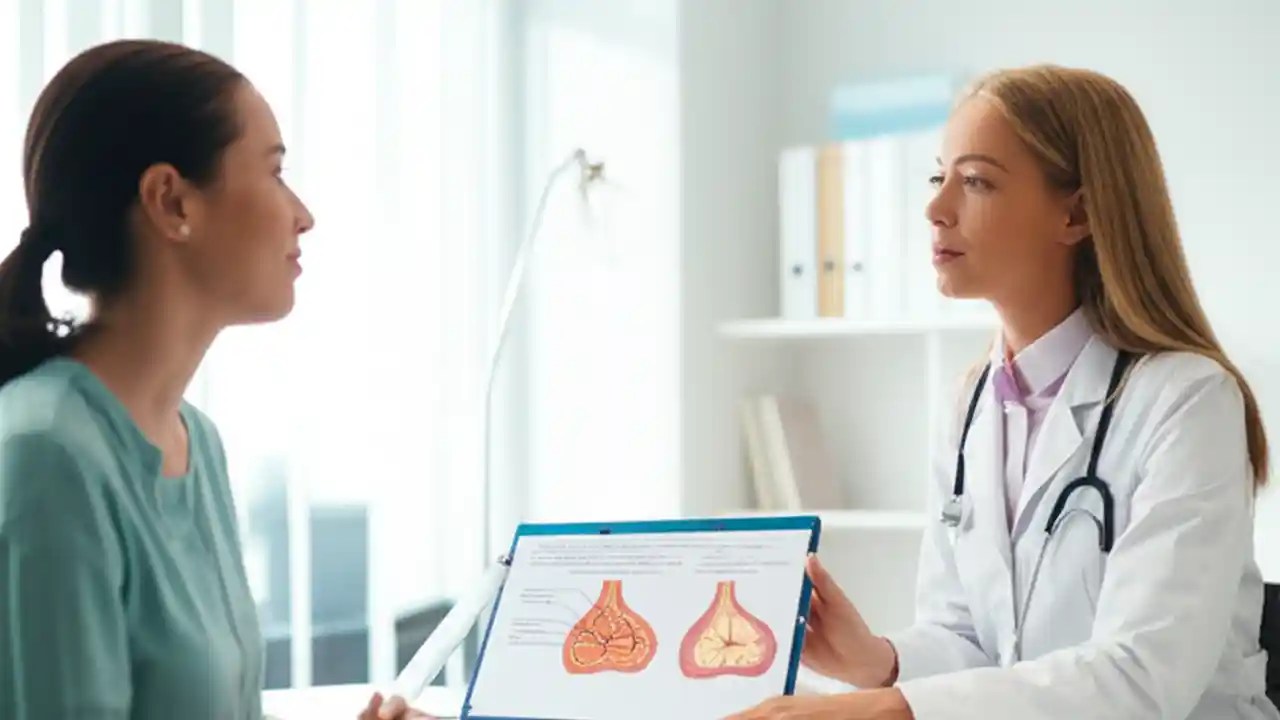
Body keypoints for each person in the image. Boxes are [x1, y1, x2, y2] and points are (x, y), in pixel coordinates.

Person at [728, 65, 1278, 720]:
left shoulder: (1186, 402)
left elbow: (1141, 678)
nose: (935, 209)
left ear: (1075, 212)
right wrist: (879, 662)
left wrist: (890, 708)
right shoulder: (968, 403)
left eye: (976, 181)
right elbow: (974, 640)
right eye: (939, 178)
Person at [0, 40, 425, 720]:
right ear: (172, 201)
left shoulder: (196, 442)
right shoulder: (47, 455)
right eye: (276, 171)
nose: (303, 214)